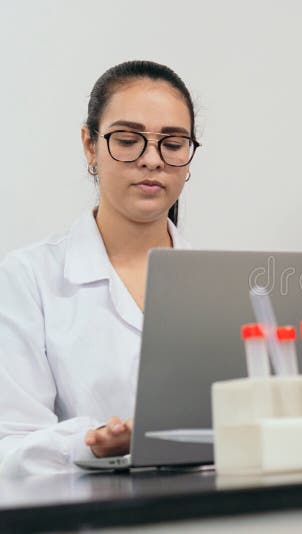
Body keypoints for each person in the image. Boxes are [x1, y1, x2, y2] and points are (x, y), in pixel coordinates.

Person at [0, 60, 199, 477]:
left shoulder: (219, 285)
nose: (151, 159)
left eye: (173, 143)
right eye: (127, 140)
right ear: (90, 146)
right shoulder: (26, 278)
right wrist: (91, 443)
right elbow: (10, 447)